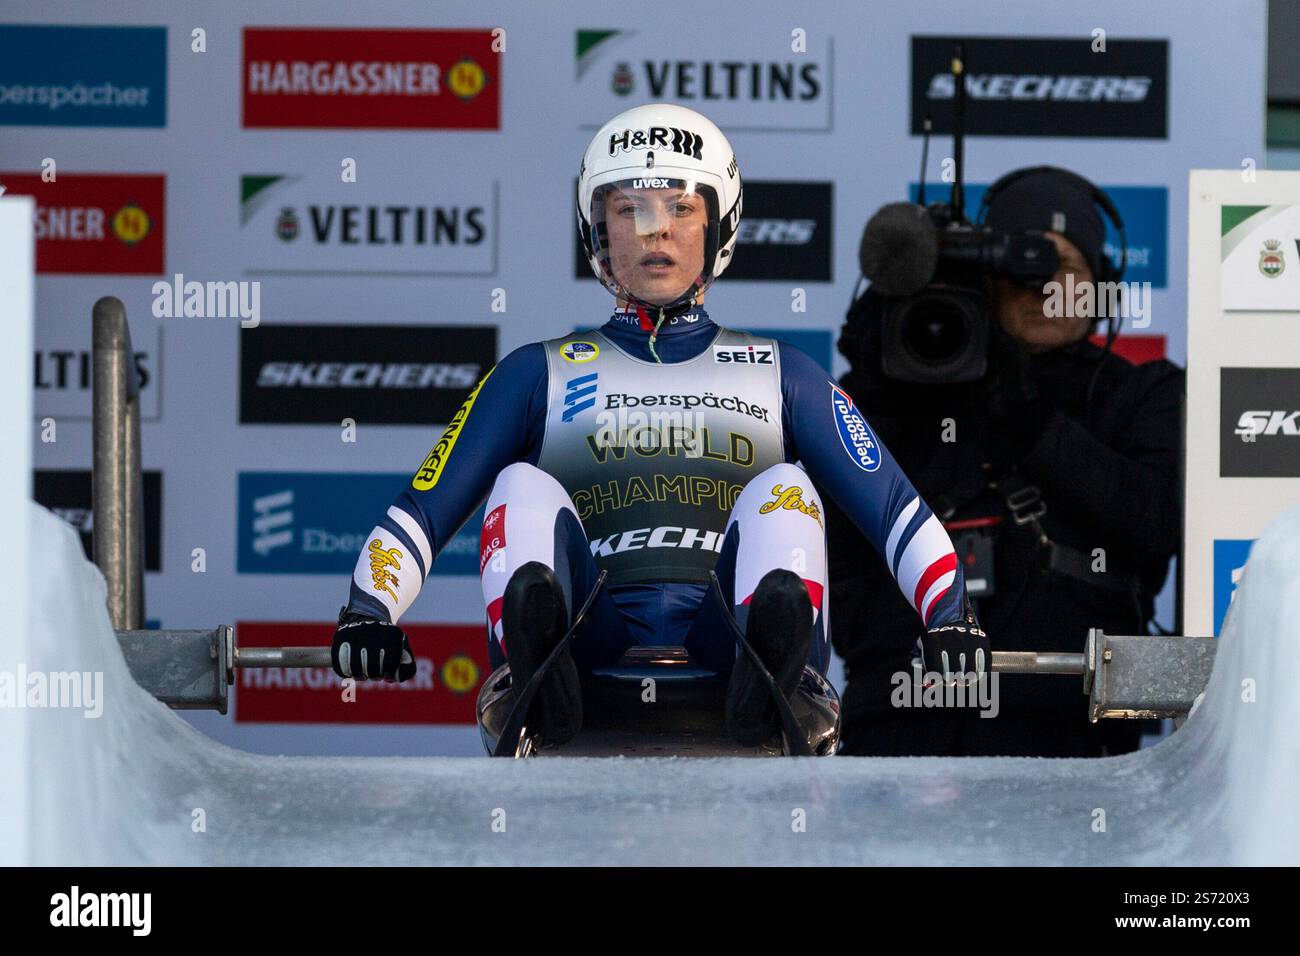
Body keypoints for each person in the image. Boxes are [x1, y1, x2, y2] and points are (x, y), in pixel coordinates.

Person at [328, 103, 988, 751]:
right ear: (596, 230)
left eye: (680, 209)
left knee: (786, 488)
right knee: (519, 486)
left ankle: (770, 673)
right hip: (588, 653)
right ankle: (540, 678)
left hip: (728, 652)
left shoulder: (780, 371)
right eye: (629, 210)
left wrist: (950, 618)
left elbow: (895, 509)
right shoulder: (538, 371)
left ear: (719, 226)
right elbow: (420, 512)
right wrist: (369, 611)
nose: (655, 233)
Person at [827, 166, 1184, 757]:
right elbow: (839, 530)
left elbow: (1151, 526)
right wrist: (876, 375)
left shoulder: (1141, 392)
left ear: (1103, 282)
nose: (1047, 288)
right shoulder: (904, 384)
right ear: (986, 282)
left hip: (1073, 733)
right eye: (1026, 270)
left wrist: (1030, 419)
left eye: (1065, 268)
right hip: (900, 724)